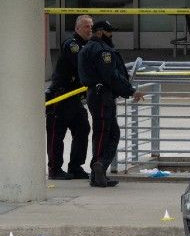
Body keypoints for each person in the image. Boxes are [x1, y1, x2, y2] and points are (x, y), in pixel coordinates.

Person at [77, 20, 143, 187]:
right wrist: (130, 90)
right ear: (99, 32)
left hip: (95, 94)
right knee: (105, 134)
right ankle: (99, 166)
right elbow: (111, 76)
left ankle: (98, 172)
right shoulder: (102, 51)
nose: (111, 35)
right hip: (102, 96)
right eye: (108, 31)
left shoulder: (87, 48)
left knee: (108, 133)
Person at [45, 15, 93, 180]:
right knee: (56, 134)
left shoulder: (87, 45)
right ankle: (55, 169)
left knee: (82, 128)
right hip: (60, 95)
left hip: (74, 97)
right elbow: (81, 64)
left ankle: (75, 166)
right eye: (86, 26)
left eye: (91, 27)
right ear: (77, 28)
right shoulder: (72, 45)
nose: (90, 30)